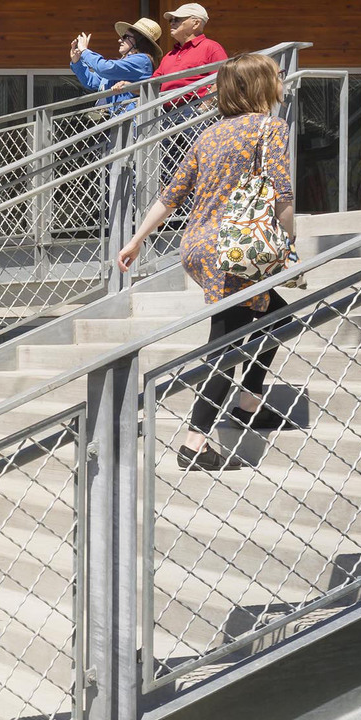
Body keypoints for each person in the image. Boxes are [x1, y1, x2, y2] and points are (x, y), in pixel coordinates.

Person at [117, 55, 298, 471]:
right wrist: (289, 238)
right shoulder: (270, 127)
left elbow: (171, 194)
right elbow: (281, 188)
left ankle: (249, 403)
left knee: (278, 315)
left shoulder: (209, 135)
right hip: (235, 247)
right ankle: (195, 443)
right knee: (228, 340)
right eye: (277, 76)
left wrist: (136, 240)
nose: (282, 81)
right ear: (259, 87)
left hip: (198, 246)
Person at [70, 17, 164, 113]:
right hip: (119, 120)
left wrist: (85, 51)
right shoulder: (127, 62)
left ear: (139, 40)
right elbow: (92, 82)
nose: (120, 40)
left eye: (125, 37)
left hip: (132, 122)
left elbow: (104, 68)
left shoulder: (142, 60)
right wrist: (77, 62)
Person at [158, 3, 229, 102]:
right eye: (171, 20)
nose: (172, 23)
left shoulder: (211, 47)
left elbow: (224, 80)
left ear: (196, 23)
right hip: (165, 112)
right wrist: (128, 85)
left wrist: (204, 106)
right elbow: (153, 85)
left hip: (194, 110)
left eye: (177, 19)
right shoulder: (170, 55)